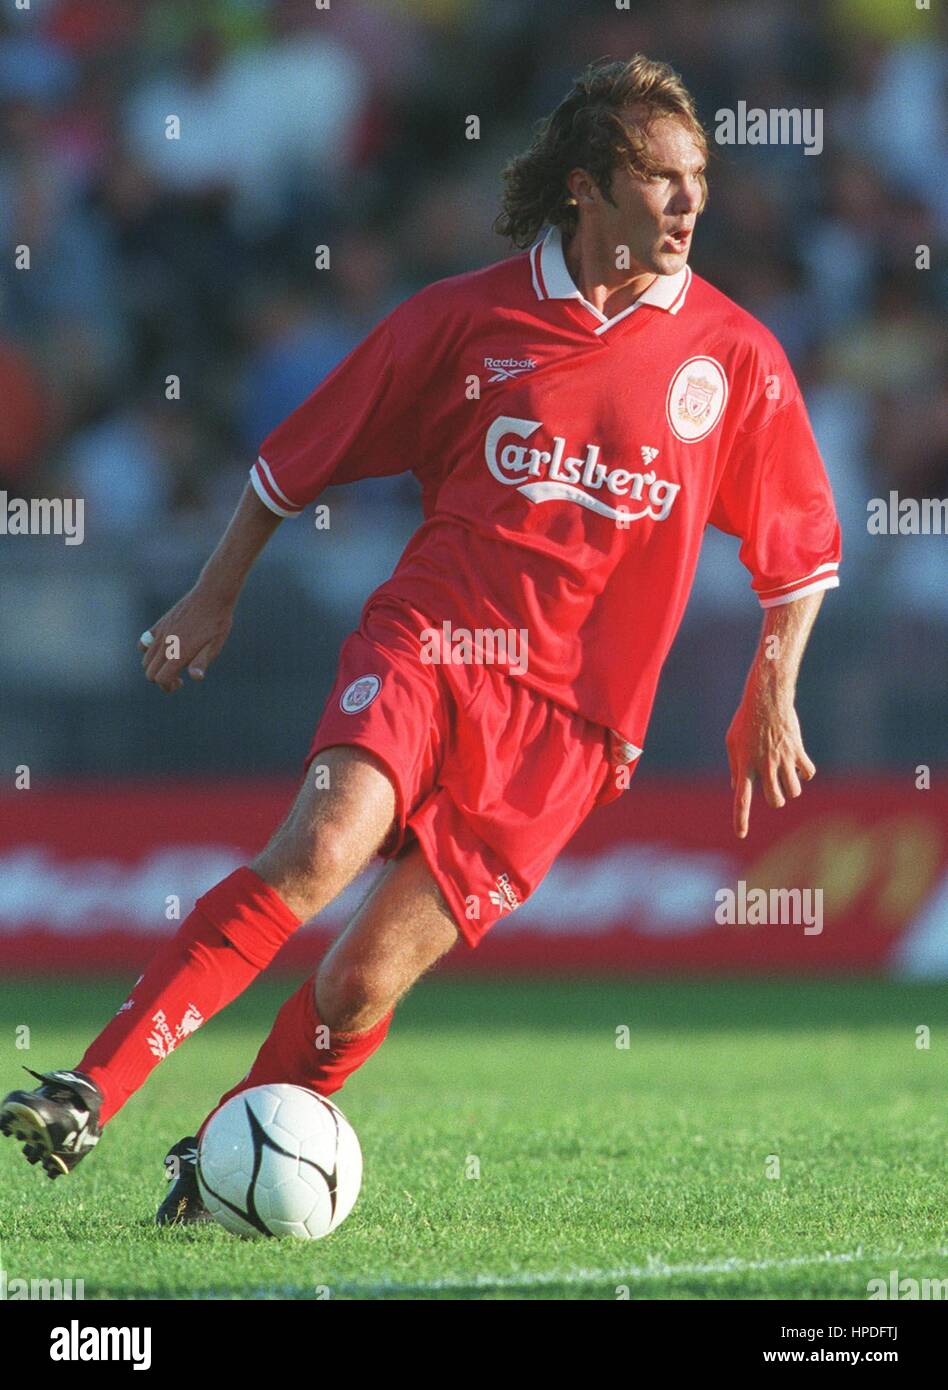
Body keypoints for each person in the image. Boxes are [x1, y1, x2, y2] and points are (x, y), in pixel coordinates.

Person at [1, 56, 840, 1224]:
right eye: (662, 177)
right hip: (433, 647)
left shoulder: (734, 357)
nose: (691, 201)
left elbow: (800, 548)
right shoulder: (465, 319)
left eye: (699, 176)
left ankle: (218, 1161)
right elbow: (293, 460)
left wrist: (774, 681)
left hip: (573, 729)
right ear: (589, 188)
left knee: (355, 982)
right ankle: (93, 1084)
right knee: (318, 845)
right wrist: (212, 593)